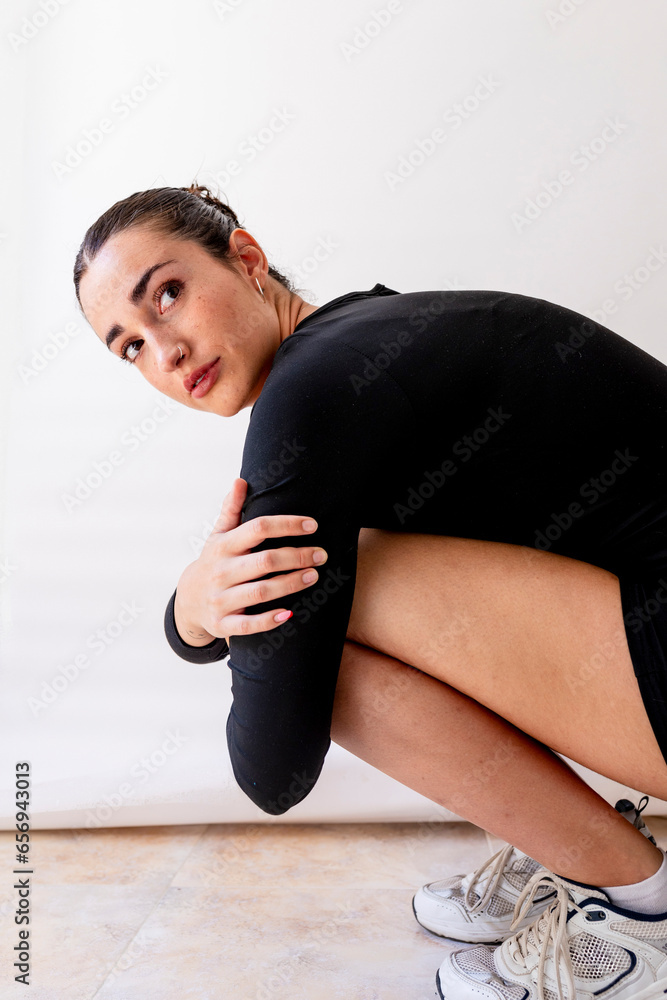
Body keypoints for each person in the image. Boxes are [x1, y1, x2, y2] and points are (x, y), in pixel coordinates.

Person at [73, 183, 667, 999]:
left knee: (318, 594)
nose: (165, 351)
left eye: (167, 294)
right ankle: (573, 846)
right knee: (326, 572)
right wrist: (192, 611)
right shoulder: (371, 331)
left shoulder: (309, 395)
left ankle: (641, 912)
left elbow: (271, 771)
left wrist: (209, 610)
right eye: (130, 346)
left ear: (246, 258)